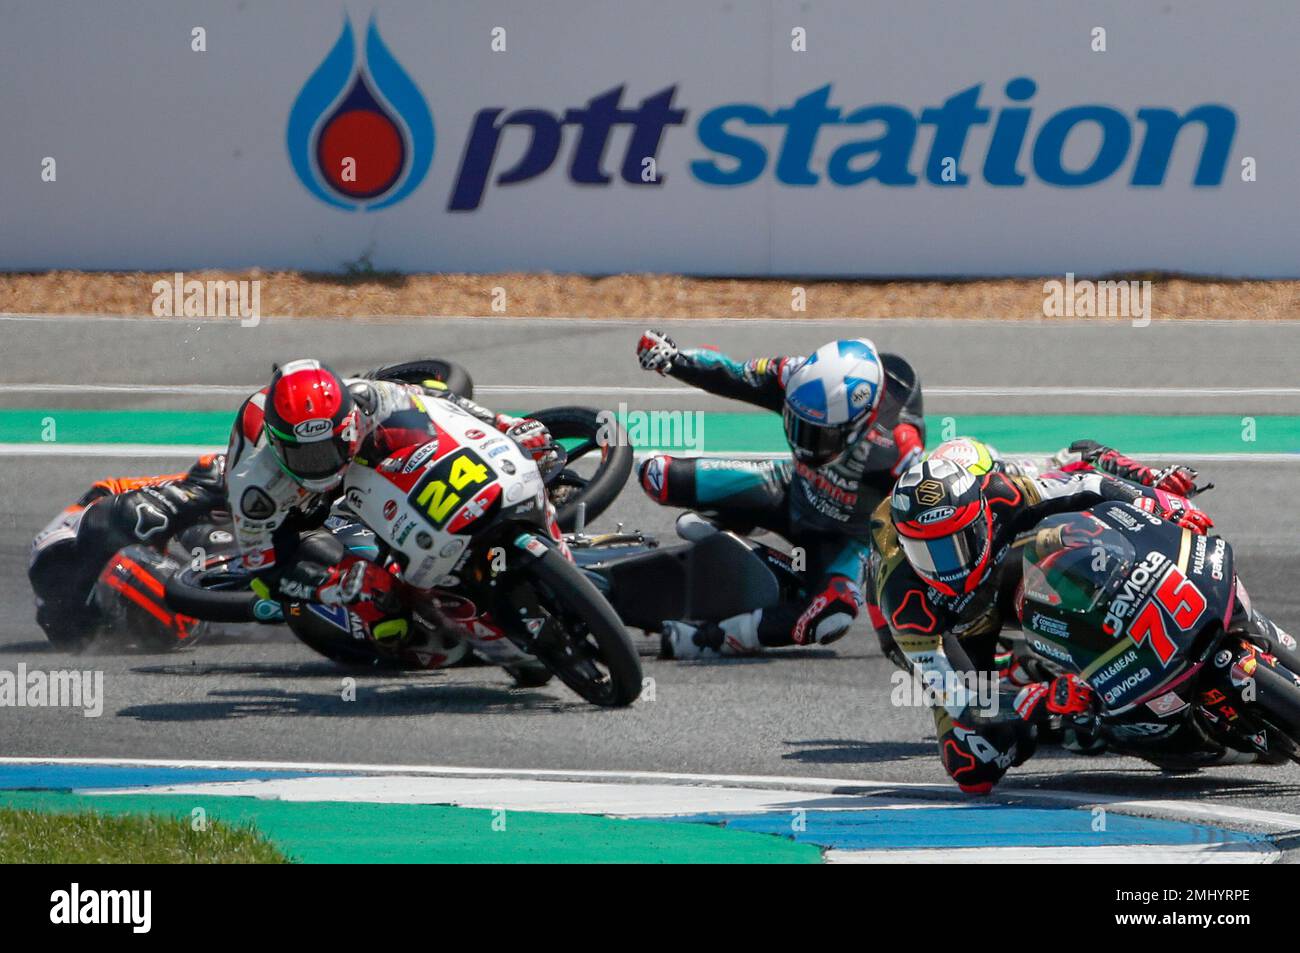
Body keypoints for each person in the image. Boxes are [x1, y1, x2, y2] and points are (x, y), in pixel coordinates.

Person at [872, 455, 1213, 792]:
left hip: (1011, 572)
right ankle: (1049, 690)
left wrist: (1156, 502)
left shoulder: (1002, 495)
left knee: (1076, 537)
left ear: (980, 518)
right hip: (961, 634)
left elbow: (1085, 484)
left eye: (955, 545)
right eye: (925, 553)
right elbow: (957, 697)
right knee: (974, 763)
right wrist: (1038, 700)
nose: (946, 567)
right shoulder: (905, 602)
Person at [634, 330, 924, 658]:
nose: (805, 442)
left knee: (834, 615)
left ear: (861, 423)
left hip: (843, 540)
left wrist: (889, 625)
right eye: (799, 425)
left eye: (820, 435)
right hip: (787, 489)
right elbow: (731, 373)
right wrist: (674, 361)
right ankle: (736, 532)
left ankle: (710, 639)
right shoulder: (794, 377)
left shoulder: (900, 447)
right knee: (655, 474)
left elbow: (909, 528)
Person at [223, 359, 560, 614]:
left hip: (367, 439)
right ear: (277, 445)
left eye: (328, 448)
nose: (320, 463)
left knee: (425, 409)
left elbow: (444, 405)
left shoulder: (370, 399)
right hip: (298, 501)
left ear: (350, 422)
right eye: (306, 456)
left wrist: (505, 425)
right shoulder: (255, 486)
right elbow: (265, 568)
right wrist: (330, 587)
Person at [28, 455, 226, 651]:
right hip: (70, 564)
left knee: (146, 516)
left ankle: (204, 489)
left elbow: (107, 490)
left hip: (76, 553)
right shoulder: (75, 631)